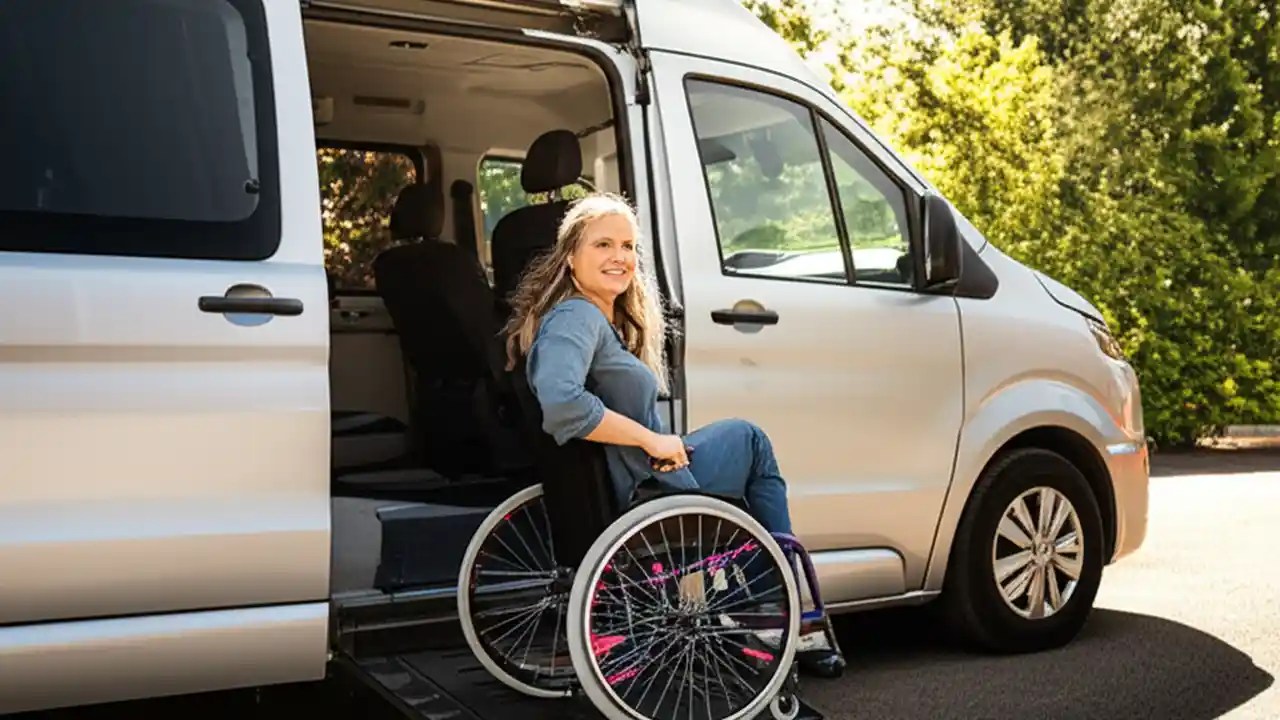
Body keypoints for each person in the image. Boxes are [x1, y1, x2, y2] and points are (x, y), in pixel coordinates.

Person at [502, 191, 844, 677]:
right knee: (751, 441)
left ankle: (768, 606)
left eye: (628, 246)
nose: (620, 257)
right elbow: (561, 404)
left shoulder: (593, 318)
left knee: (741, 467)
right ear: (571, 258)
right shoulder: (575, 316)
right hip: (645, 486)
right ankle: (781, 609)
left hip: (641, 472)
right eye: (603, 245)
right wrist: (650, 440)